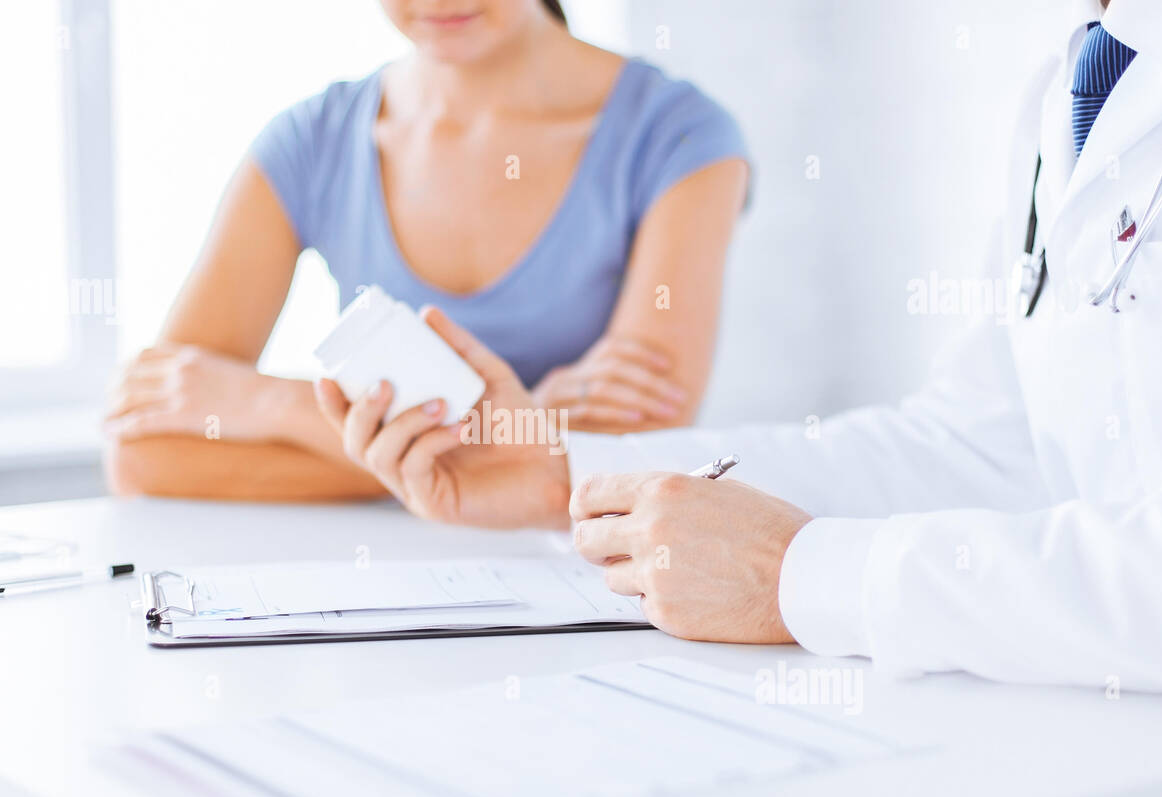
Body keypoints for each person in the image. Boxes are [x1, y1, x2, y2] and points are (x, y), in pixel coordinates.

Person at [315, 0, 1162, 690]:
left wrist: (804, 577)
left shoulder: (674, 130)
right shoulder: (1074, 82)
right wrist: (571, 474)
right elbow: (985, 445)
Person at [104, 0, 749, 502]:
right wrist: (523, 428)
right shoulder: (311, 142)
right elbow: (146, 451)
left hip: (592, 589)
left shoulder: (682, 138)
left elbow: (636, 439)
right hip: (381, 598)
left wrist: (267, 404)